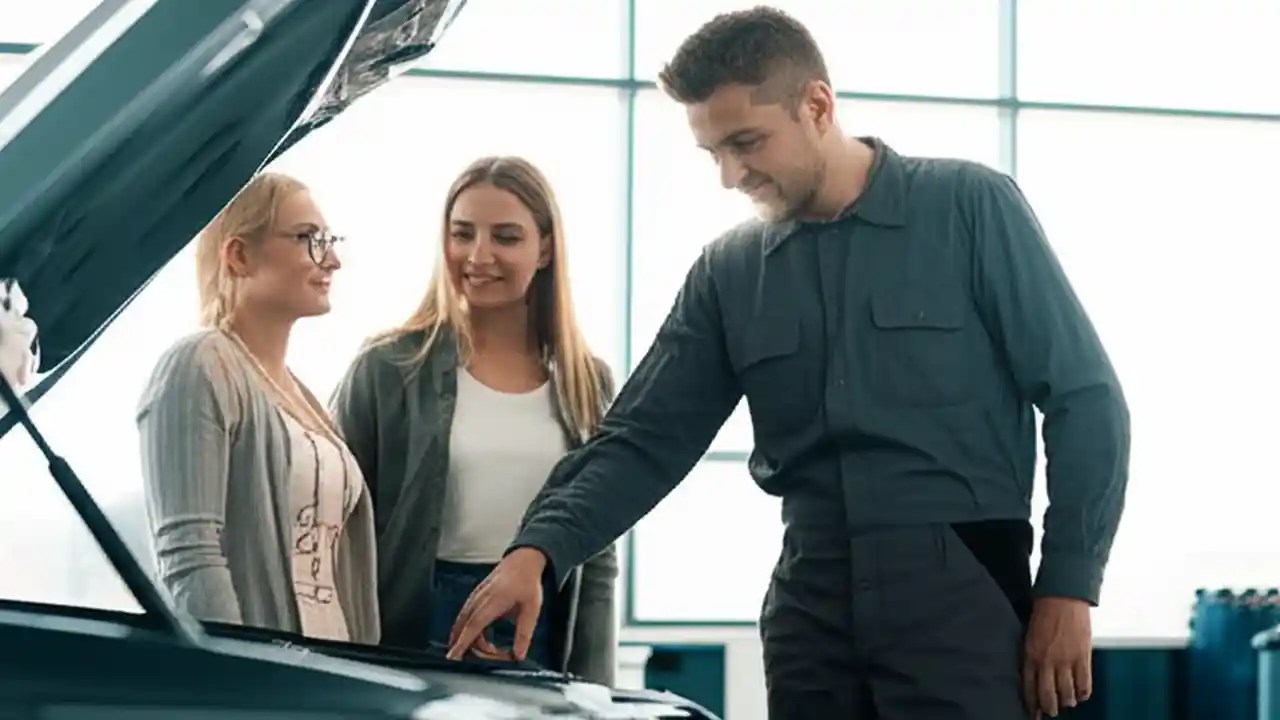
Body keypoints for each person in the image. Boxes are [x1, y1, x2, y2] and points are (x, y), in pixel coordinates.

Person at [447, 7, 1131, 719]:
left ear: (817, 105)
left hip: (965, 596)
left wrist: (1068, 586)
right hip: (811, 609)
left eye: (747, 143)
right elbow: (643, 439)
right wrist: (540, 549)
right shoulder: (730, 273)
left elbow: (1086, 399)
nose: (730, 175)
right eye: (713, 151)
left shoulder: (968, 208)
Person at [329, 156, 619, 684]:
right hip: (423, 624)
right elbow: (334, 527)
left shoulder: (587, 380)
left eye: (505, 237)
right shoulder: (388, 369)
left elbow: (598, 554)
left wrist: (600, 689)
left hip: (545, 624)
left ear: (546, 248)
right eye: (463, 234)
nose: (478, 255)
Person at [137, 172, 379, 644]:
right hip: (264, 682)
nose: (332, 259)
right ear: (239, 255)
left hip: (334, 673)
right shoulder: (199, 364)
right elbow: (190, 557)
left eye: (328, 240)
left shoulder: (303, 396)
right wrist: (238, 676)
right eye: (308, 238)